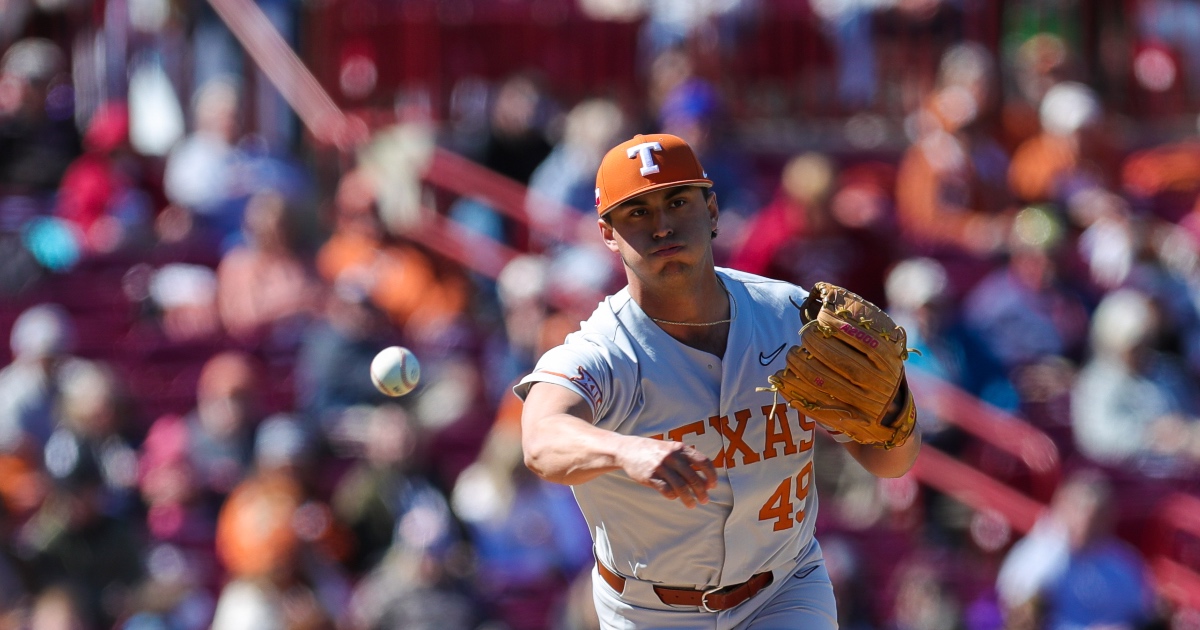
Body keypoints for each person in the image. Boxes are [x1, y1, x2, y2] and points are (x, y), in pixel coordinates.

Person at [515, 133, 921, 629]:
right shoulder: (605, 350)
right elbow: (540, 440)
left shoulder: (789, 317)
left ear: (711, 210)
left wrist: (896, 406)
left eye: (677, 201)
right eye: (637, 212)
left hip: (786, 588)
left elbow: (891, 461)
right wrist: (626, 451)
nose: (662, 225)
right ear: (607, 232)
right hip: (651, 611)